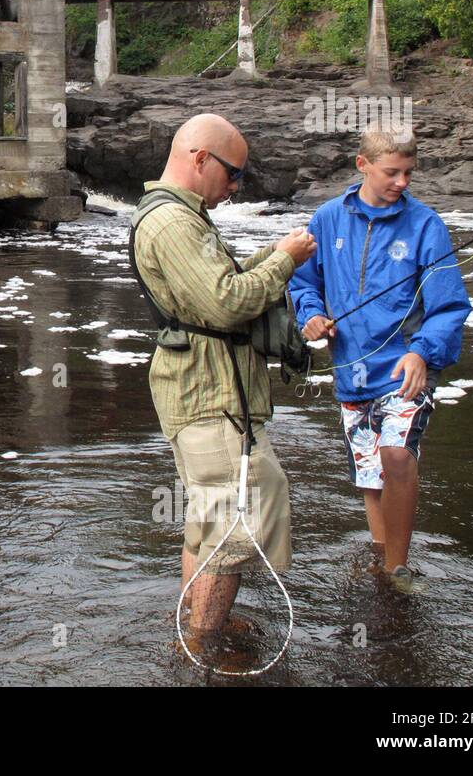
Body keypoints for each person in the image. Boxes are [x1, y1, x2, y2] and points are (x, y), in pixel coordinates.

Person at [131, 114, 317, 636]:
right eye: (233, 173)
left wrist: (275, 255)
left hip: (209, 393)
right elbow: (227, 303)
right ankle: (202, 643)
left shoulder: (184, 218)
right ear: (199, 159)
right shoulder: (171, 223)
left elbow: (220, 284)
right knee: (238, 522)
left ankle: (199, 624)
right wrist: (283, 260)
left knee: (208, 520)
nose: (236, 186)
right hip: (207, 397)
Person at [289, 119, 471, 592]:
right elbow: (304, 282)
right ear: (362, 165)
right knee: (371, 476)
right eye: (392, 172)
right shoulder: (327, 219)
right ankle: (380, 561)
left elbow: (449, 305)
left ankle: (397, 568)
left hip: (406, 370)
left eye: (409, 172)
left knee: (395, 456)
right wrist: (311, 316)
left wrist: (423, 354)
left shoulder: (427, 226)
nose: (403, 182)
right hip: (351, 372)